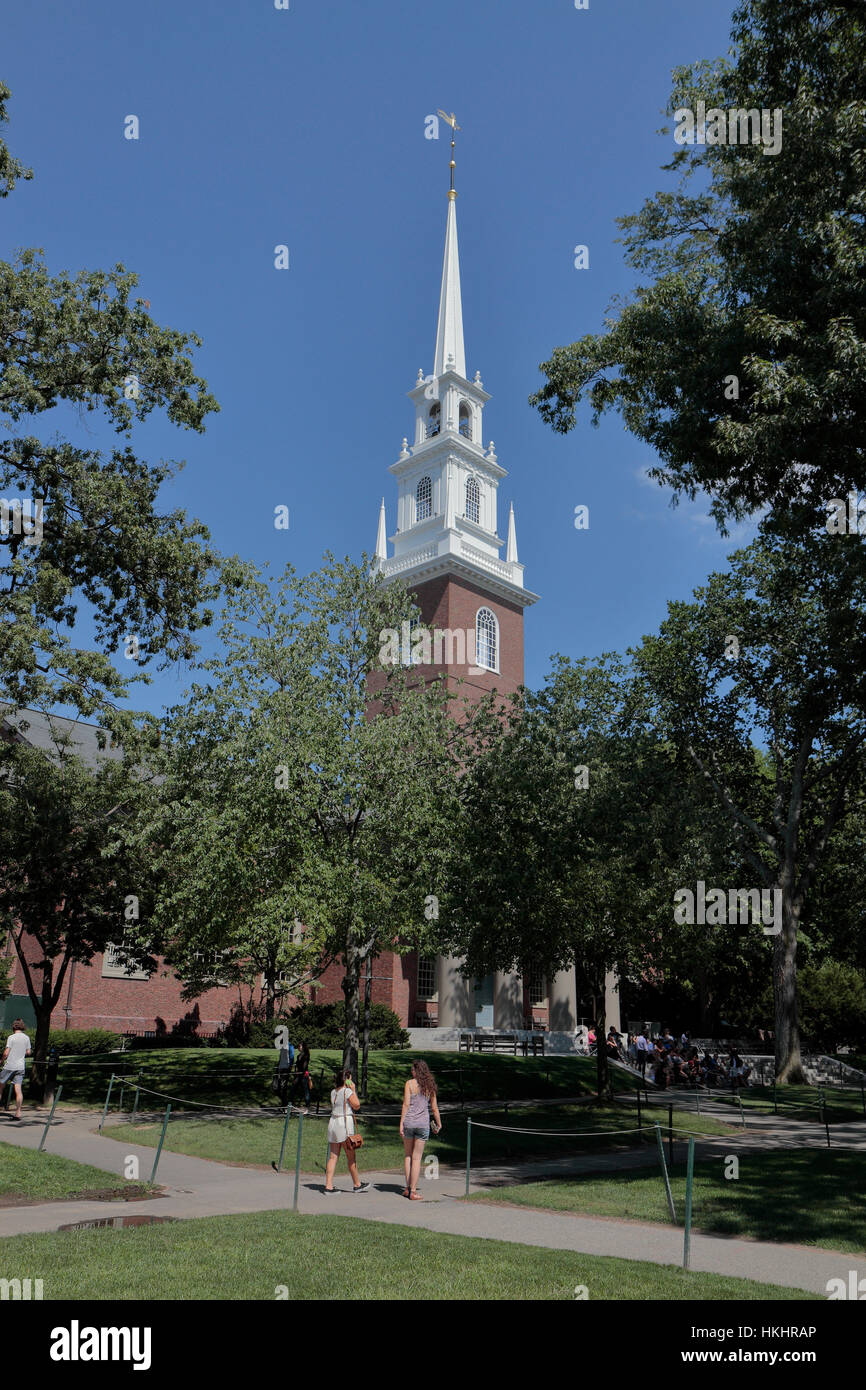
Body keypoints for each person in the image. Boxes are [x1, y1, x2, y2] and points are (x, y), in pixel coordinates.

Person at [399, 1059, 442, 1200]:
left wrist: (401, 1123)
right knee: (417, 1158)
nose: (411, 1072)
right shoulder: (429, 1086)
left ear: (417, 1071)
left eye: (413, 1069)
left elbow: (406, 1104)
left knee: (408, 1156)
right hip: (423, 1124)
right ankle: (413, 1190)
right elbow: (434, 1108)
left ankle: (407, 1188)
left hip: (409, 1123)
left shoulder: (409, 1084)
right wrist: (439, 1123)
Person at [324, 1070, 370, 1194]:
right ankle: (357, 1184)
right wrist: (353, 1090)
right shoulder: (347, 1091)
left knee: (333, 1156)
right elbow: (357, 1105)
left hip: (333, 1123)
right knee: (351, 1156)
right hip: (343, 1125)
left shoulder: (333, 1092)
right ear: (347, 1079)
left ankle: (328, 1186)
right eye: (350, 1078)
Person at [1, 1020, 31, 1120]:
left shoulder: (11, 1037)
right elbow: (28, 1052)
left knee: (0, 1087)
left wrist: (1, 1060)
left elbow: (6, 1052)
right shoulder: (26, 1038)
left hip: (10, 1066)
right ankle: (18, 1113)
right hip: (20, 1067)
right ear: (22, 1027)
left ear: (13, 1027)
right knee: (18, 1090)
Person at [294, 1042, 312, 1114]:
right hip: (298, 1075)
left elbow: (304, 1066)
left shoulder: (306, 1055)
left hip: (304, 1075)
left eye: (300, 1046)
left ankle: (307, 1108)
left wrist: (300, 1073)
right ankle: (290, 1106)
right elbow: (297, 1065)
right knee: (293, 1089)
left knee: (306, 1091)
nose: (299, 1047)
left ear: (303, 1047)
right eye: (298, 1046)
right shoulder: (298, 1056)